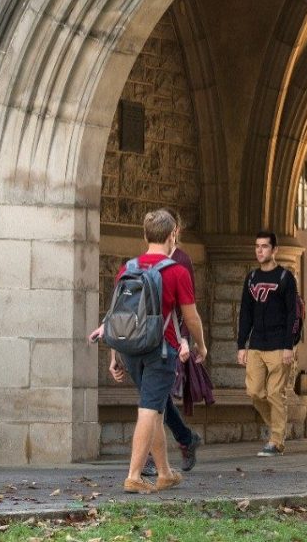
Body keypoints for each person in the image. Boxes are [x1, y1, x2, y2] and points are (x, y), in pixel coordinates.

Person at [89, 208, 208, 493]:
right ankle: (134, 475)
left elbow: (117, 314)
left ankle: (164, 473)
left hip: (131, 350)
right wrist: (200, 346)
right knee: (149, 410)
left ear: (145, 236)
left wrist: (114, 355)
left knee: (156, 409)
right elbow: (191, 317)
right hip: (160, 350)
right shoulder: (177, 271)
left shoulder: (127, 269)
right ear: (173, 235)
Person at [141, 209, 203, 478]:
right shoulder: (143, 262)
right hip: (146, 340)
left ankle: (148, 460)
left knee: (152, 400)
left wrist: (186, 341)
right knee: (157, 399)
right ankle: (186, 439)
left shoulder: (181, 262)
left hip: (170, 341)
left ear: (174, 232)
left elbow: (187, 308)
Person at [237, 230, 298, 457]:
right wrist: (241, 345)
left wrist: (289, 346)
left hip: (279, 345)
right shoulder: (252, 278)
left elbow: (293, 314)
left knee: (275, 393)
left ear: (275, 250)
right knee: (254, 392)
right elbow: (245, 313)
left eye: (264, 246)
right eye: (257, 246)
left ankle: (276, 441)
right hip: (256, 345)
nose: (260, 250)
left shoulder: (285, 278)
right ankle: (277, 428)